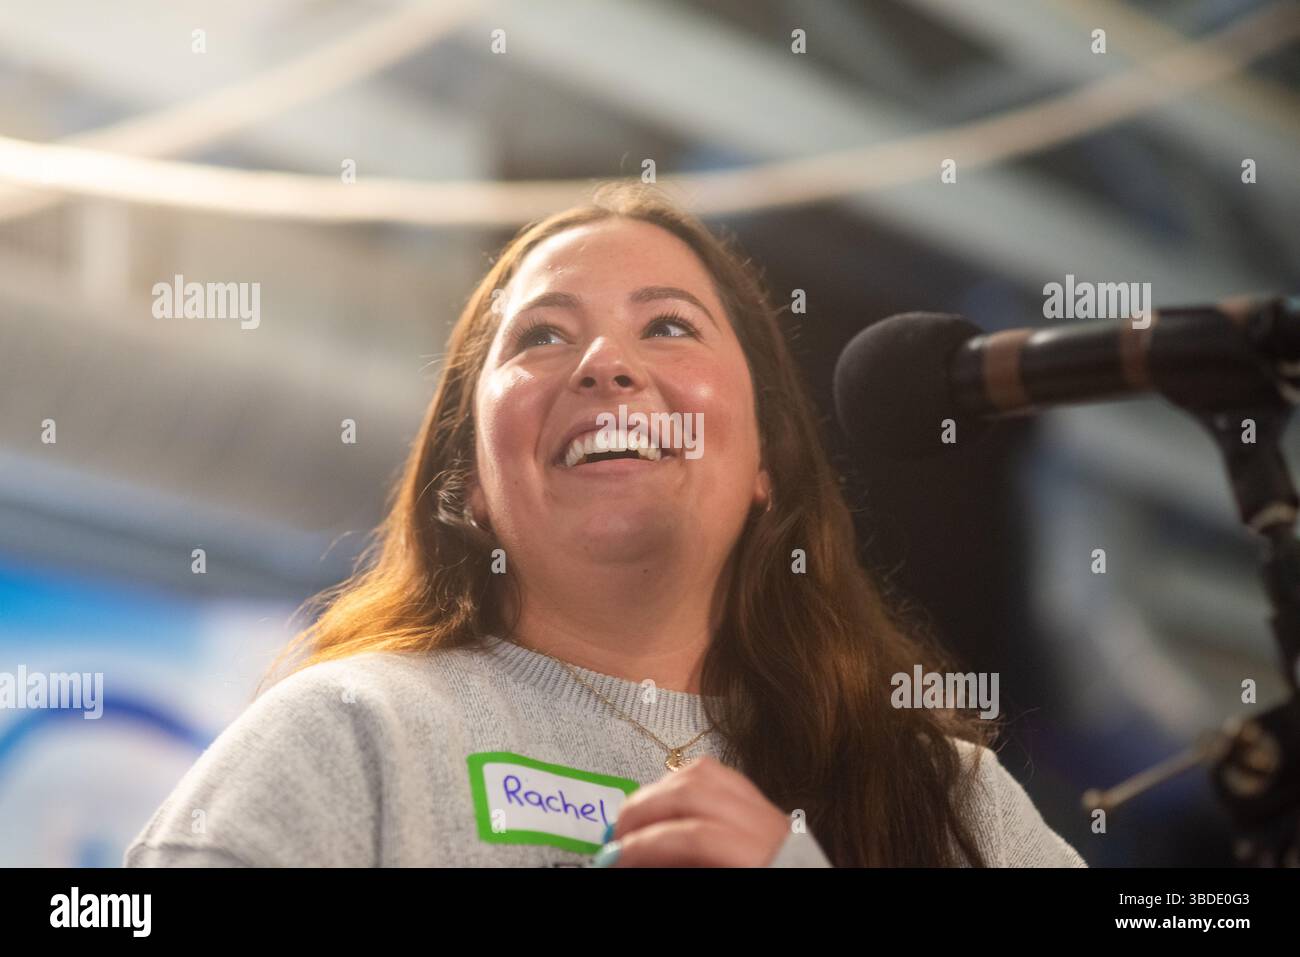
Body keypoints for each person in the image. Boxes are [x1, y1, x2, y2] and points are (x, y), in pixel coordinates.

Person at [125, 181, 1085, 868]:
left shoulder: (949, 797)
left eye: (668, 325)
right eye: (542, 335)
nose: (603, 364)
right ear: (469, 486)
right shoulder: (345, 734)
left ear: (764, 465)